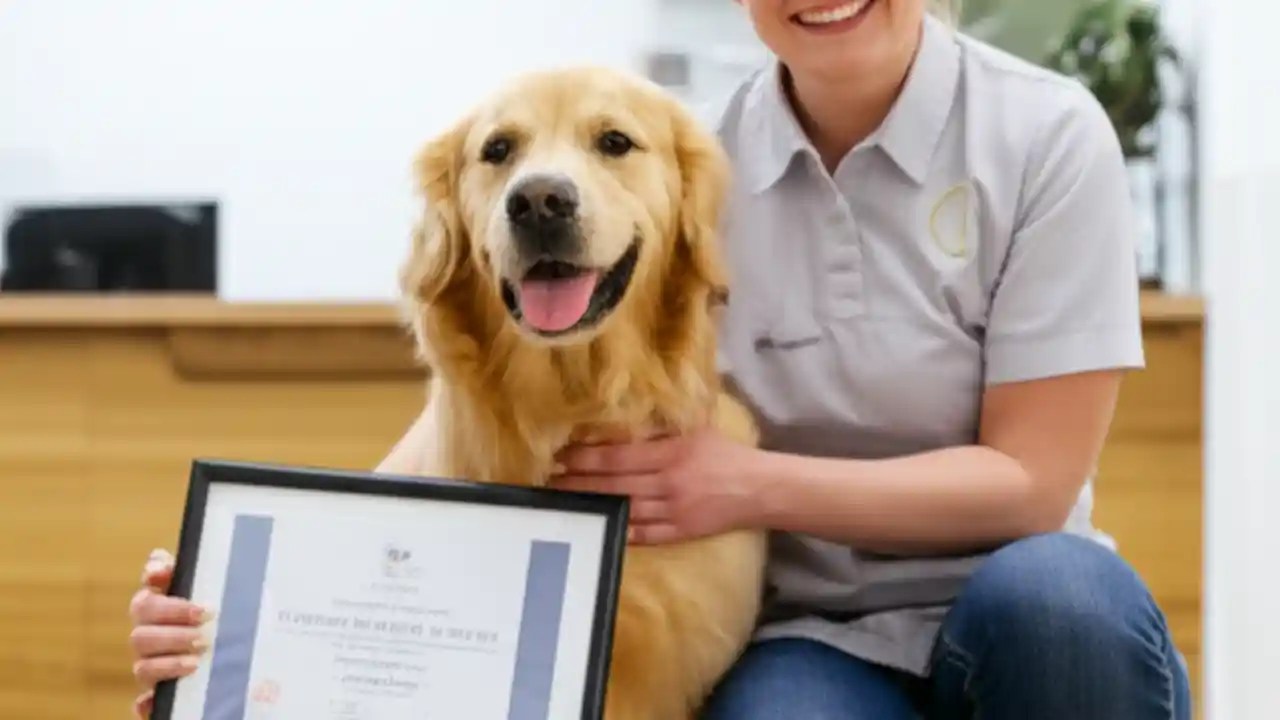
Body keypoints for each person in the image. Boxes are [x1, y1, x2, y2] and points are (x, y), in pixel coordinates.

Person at [126, 0, 1193, 717]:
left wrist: (744, 485)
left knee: (1057, 609)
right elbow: (477, 392)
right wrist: (267, 590)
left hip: (1013, 589)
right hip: (804, 630)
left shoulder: (1048, 136)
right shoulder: (689, 157)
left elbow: (1033, 483)